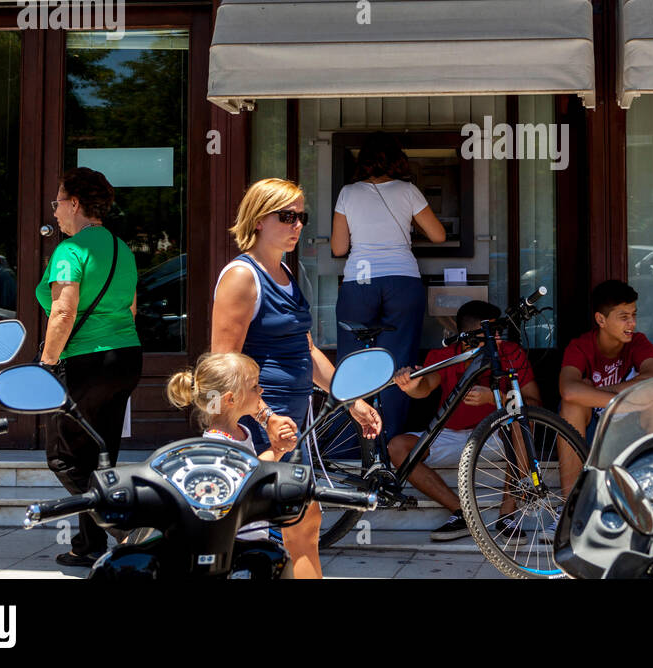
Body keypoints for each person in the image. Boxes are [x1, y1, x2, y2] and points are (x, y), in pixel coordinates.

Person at [213, 177, 381, 579]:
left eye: (301, 216)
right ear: (258, 220)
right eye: (287, 216)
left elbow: (305, 350)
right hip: (256, 428)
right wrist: (266, 417)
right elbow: (223, 365)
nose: (297, 225)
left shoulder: (286, 274)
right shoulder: (242, 277)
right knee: (270, 532)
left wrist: (350, 400)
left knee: (304, 524)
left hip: (289, 425)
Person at [38, 167, 143, 568]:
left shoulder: (70, 250)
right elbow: (132, 308)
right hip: (125, 356)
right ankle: (89, 546)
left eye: (59, 203)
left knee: (63, 457)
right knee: (102, 456)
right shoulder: (122, 248)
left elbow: (63, 312)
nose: (56, 212)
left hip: (85, 358)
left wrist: (48, 363)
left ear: (76, 203)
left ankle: (124, 526)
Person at [387, 300, 540, 542]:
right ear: (466, 338)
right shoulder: (445, 355)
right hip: (450, 435)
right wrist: (410, 386)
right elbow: (425, 387)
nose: (497, 339)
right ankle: (463, 513)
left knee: (522, 422)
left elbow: (535, 405)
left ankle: (507, 515)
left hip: (494, 437)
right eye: (489, 334)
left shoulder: (512, 352)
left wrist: (494, 397)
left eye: (499, 331)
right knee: (397, 448)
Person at [331, 132, 447, 442]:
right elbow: (438, 235)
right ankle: (390, 440)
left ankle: (353, 443)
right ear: (397, 158)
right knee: (399, 367)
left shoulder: (348, 193)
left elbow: (339, 247)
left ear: (363, 160)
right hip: (402, 281)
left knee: (352, 363)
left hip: (360, 282)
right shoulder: (408, 191)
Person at [167, 353, 300, 574]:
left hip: (251, 534)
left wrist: (277, 451)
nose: (261, 391)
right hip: (233, 542)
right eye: (254, 387)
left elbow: (254, 469)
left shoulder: (241, 432)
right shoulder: (217, 444)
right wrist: (276, 451)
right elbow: (248, 479)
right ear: (230, 399)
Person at [557, 280, 653, 492]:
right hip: (593, 427)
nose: (631, 323)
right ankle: (568, 507)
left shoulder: (639, 342)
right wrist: (625, 401)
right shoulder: (580, 346)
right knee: (571, 406)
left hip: (628, 425)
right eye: (624, 317)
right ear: (601, 320)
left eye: (634, 315)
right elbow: (568, 390)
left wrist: (594, 392)